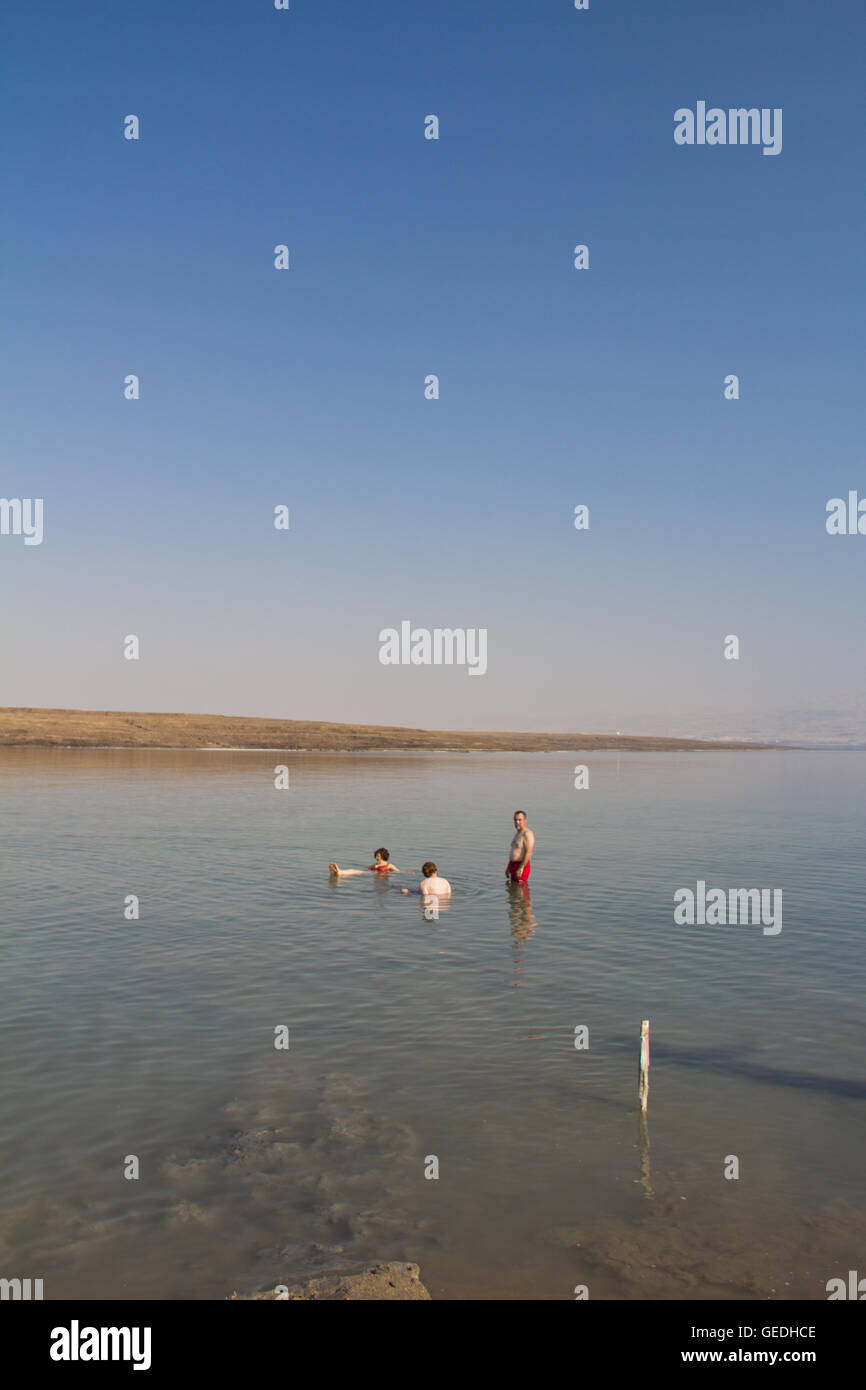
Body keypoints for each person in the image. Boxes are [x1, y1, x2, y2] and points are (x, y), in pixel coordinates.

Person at [505, 810, 534, 883]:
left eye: (519, 820)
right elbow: (514, 850)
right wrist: (508, 867)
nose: (517, 822)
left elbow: (529, 853)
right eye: (515, 820)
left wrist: (521, 868)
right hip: (512, 865)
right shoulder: (518, 833)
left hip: (521, 865)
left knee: (521, 890)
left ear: (525, 821)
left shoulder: (527, 834)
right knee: (513, 891)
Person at [329, 848, 400, 877]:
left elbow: (398, 872)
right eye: (376, 856)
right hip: (370, 873)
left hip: (377, 875)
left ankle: (339, 872)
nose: (376, 858)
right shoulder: (375, 864)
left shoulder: (389, 866)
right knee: (354, 870)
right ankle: (339, 872)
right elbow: (367, 867)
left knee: (355, 871)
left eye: (378, 856)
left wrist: (409, 873)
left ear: (383, 856)